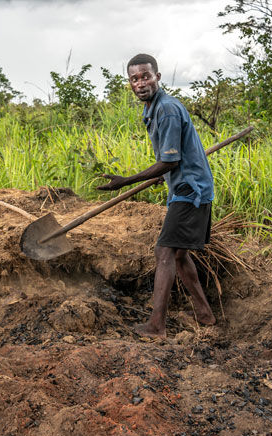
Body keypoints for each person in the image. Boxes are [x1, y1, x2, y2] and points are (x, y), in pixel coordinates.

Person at [97, 53, 216, 338]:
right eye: (134, 78)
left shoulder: (168, 110)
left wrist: (126, 181)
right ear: (129, 83)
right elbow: (171, 159)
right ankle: (205, 315)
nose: (140, 83)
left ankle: (155, 326)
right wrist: (163, 175)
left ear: (158, 77)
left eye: (146, 76)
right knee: (177, 255)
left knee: (164, 252)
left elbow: (171, 161)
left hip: (191, 191)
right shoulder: (153, 108)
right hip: (184, 186)